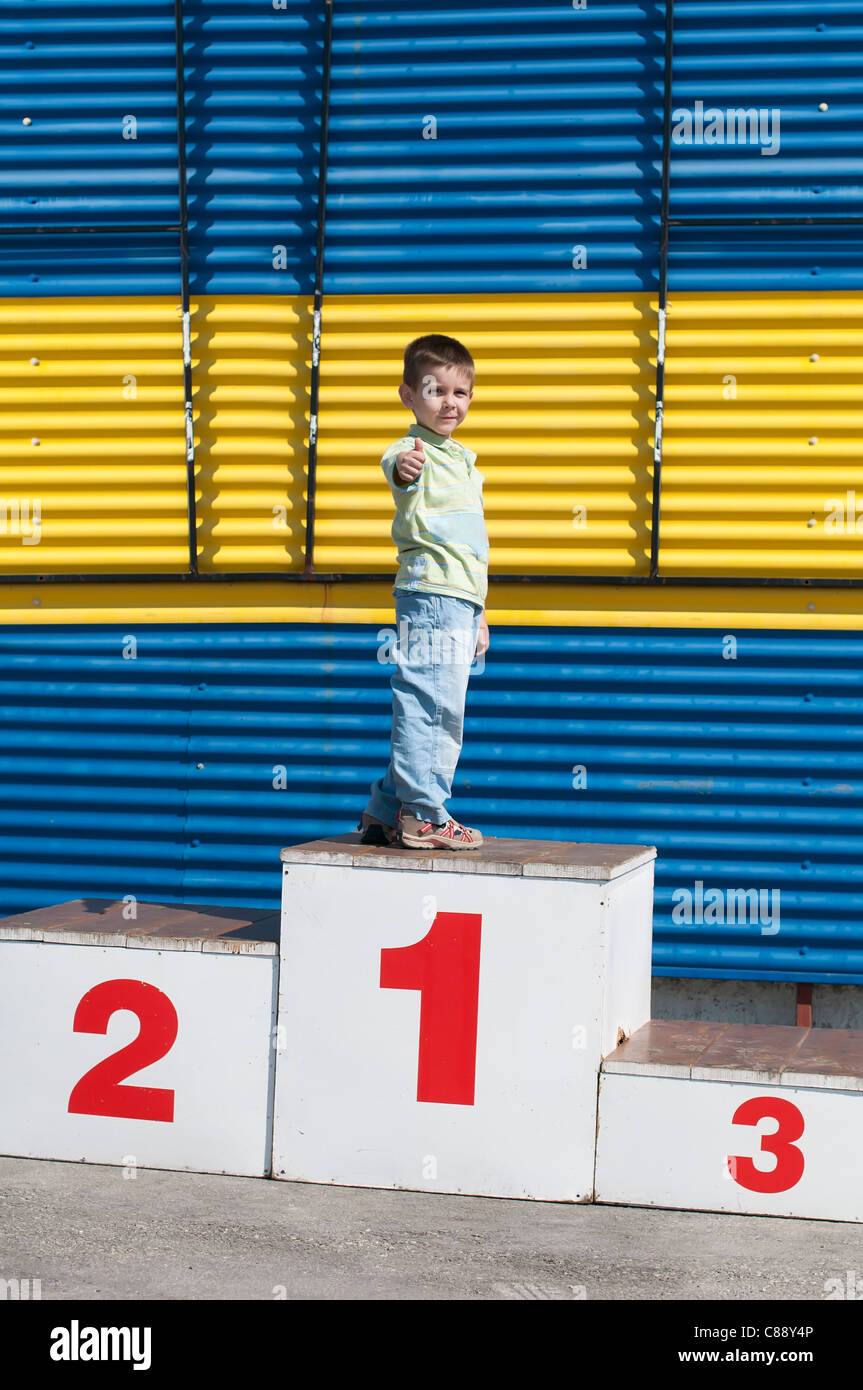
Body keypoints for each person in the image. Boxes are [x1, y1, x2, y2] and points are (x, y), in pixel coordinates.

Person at [357, 333, 490, 850]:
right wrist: (404, 469)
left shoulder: (463, 461)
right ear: (408, 396)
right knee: (433, 705)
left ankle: (385, 810)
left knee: (436, 697)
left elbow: (471, 545)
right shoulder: (412, 451)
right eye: (435, 391)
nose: (449, 402)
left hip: (458, 599)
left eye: (460, 392)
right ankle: (425, 814)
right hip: (432, 595)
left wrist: (479, 612)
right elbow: (398, 470)